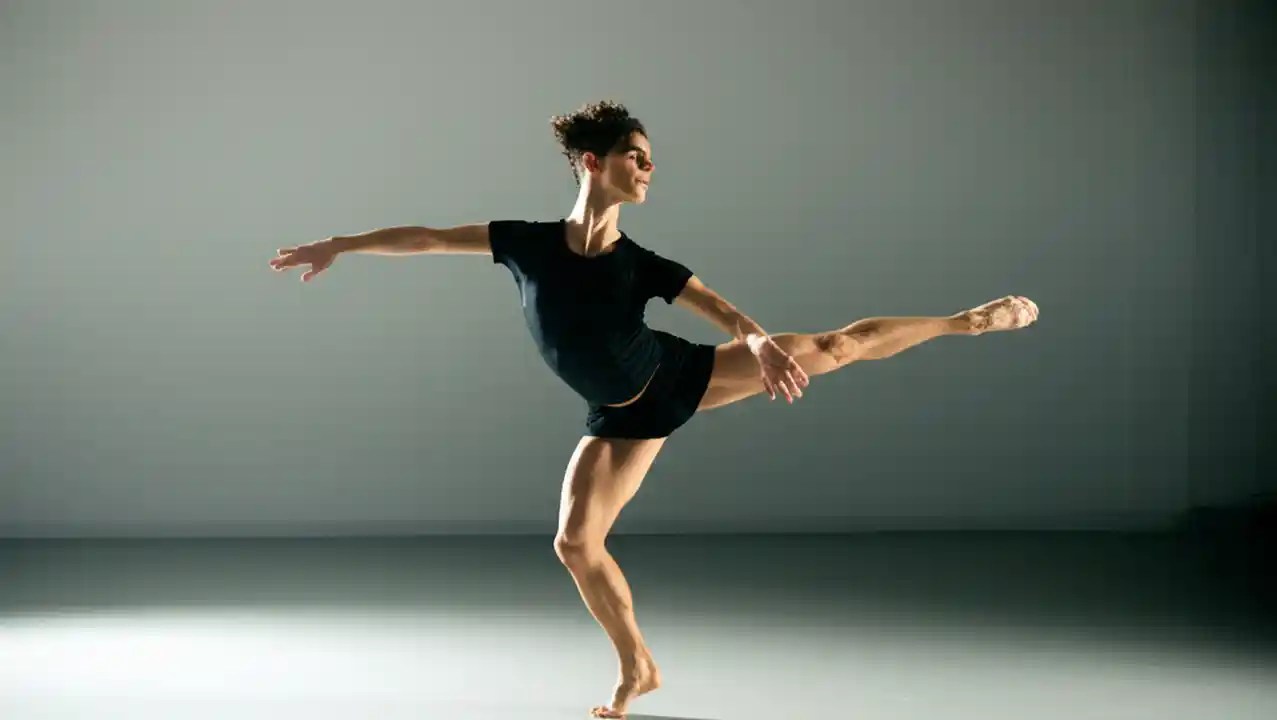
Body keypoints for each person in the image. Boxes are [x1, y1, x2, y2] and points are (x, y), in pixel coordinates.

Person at [268, 100, 1039, 718]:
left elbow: (715, 304)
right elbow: (431, 238)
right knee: (575, 545)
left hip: (679, 376)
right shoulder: (527, 243)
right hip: (624, 416)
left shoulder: (642, 264)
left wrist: (763, 343)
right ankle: (640, 665)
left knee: (836, 346)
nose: (650, 168)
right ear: (593, 162)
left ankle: (961, 320)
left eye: (651, 159)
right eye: (638, 156)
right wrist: (342, 243)